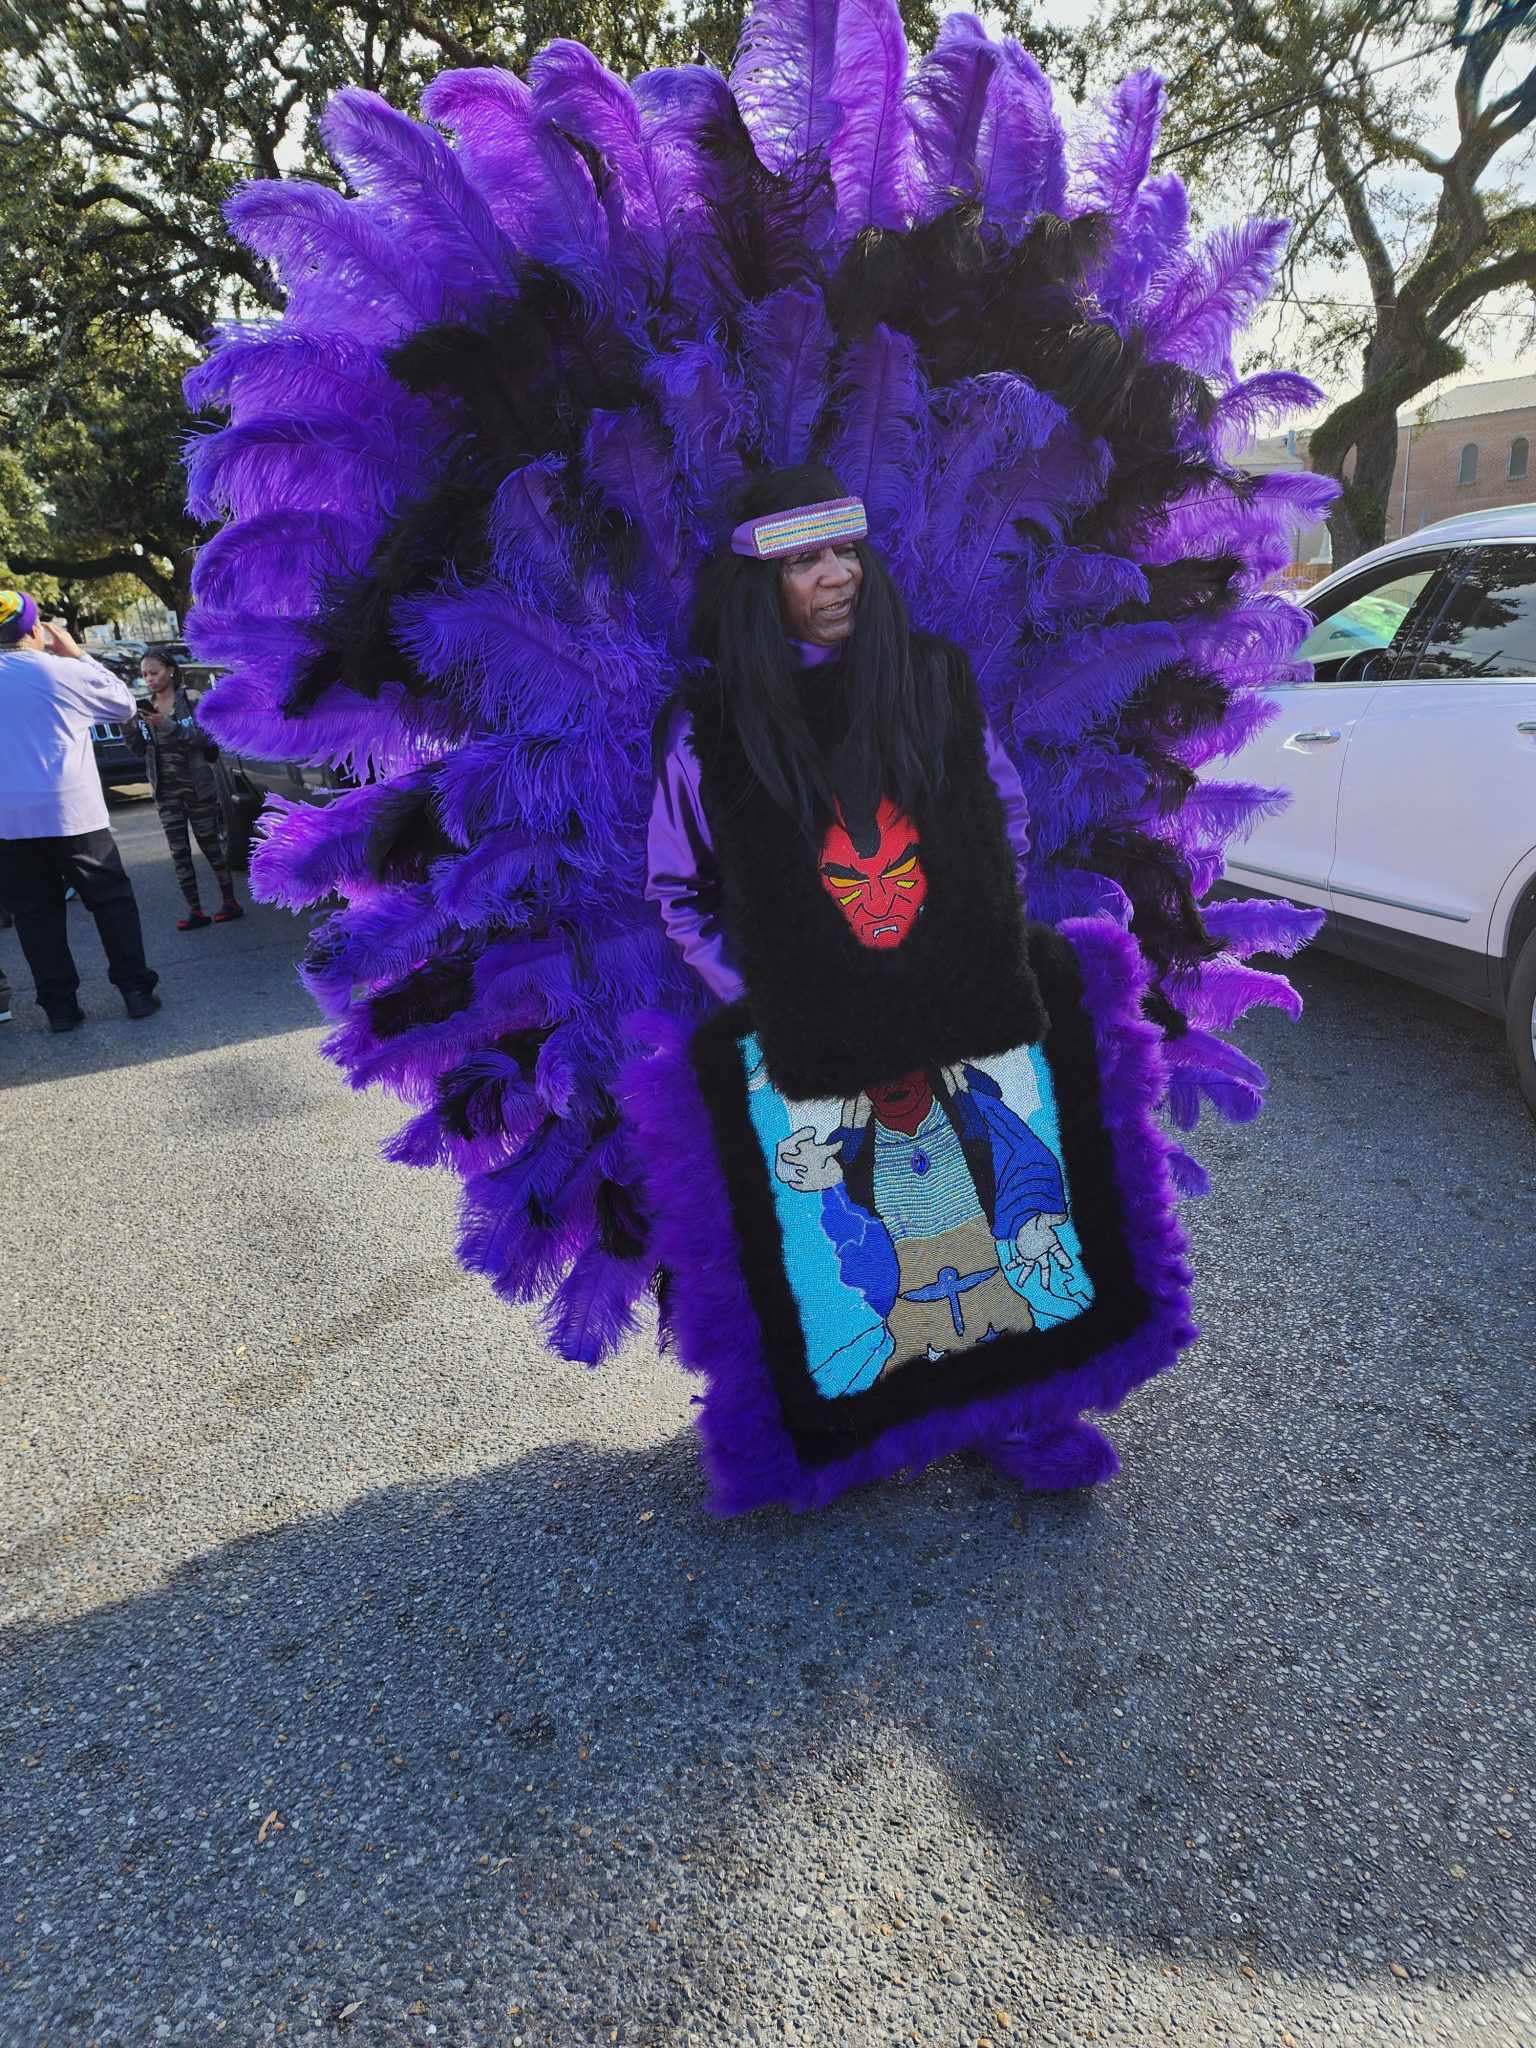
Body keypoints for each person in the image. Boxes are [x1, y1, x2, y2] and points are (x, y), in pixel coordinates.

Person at [646, 466, 1120, 1492]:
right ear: (759, 578)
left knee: (1007, 1203)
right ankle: (865, 1426)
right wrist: (772, 996)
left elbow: (1003, 821)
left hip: (958, 1004)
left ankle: (1018, 1410)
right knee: (848, 1241)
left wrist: (968, 941)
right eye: (806, 559)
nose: (835, 574)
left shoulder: (932, 679)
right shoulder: (711, 727)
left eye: (846, 551)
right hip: (813, 1042)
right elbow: (681, 890)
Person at [0, 590, 160, 1030]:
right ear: (35, 630)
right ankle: (135, 991)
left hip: (8, 823)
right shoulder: (62, 671)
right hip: (74, 814)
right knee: (111, 903)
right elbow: (125, 705)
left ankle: (60, 1010)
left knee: (35, 916)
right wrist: (77, 655)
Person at [124, 647, 241, 929]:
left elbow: (206, 739)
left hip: (198, 788)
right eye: (144, 675)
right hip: (165, 791)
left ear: (170, 670)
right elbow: (141, 750)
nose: (149, 679)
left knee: (211, 846)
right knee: (179, 853)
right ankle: (195, 910)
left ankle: (230, 902)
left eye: (154, 672)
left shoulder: (191, 700)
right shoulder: (145, 708)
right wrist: (127, 726)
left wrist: (167, 725)